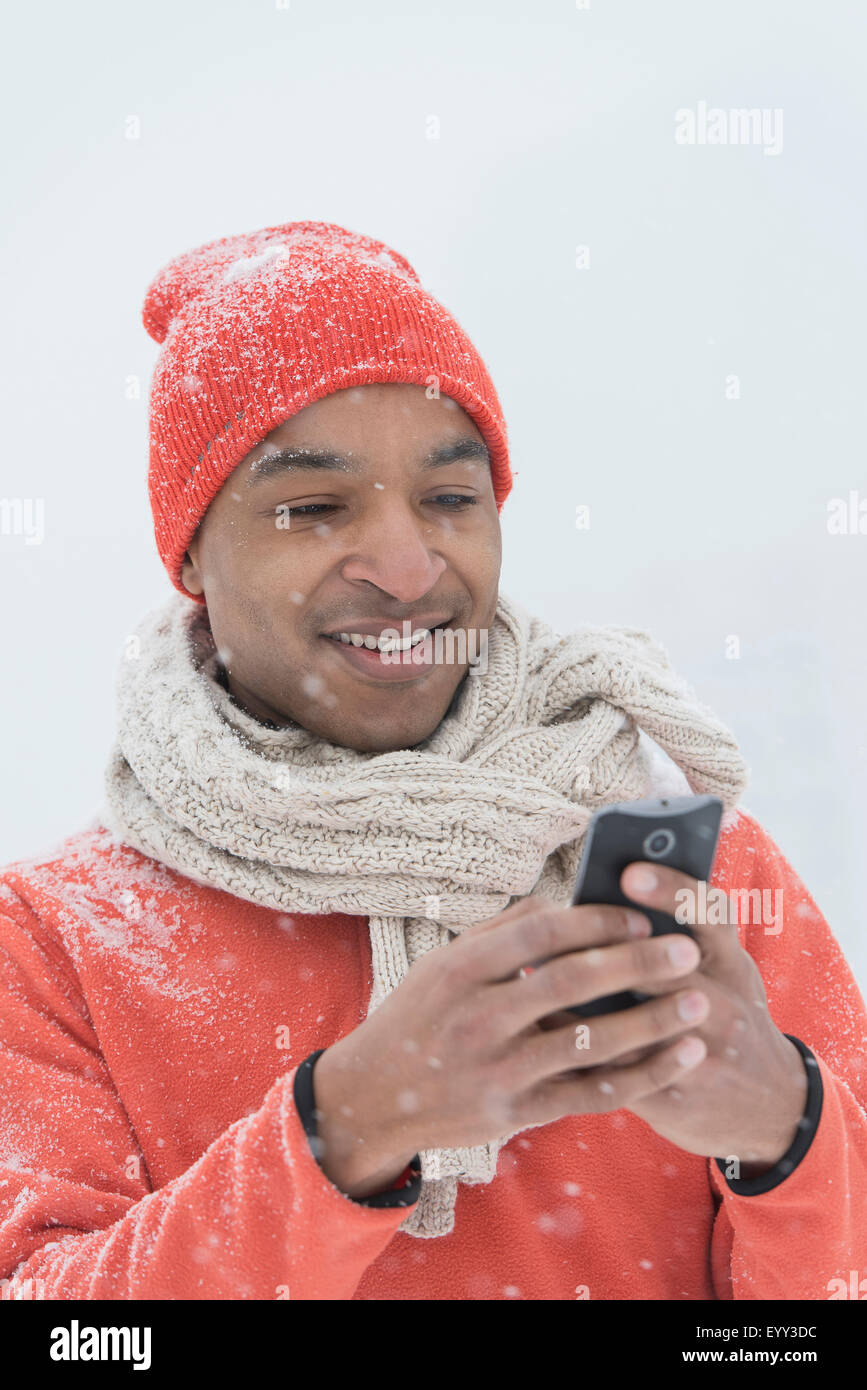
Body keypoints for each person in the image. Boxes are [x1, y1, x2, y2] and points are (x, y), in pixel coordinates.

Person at [0, 220, 864, 1301]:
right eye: (311, 508)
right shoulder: (53, 945)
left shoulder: (702, 887)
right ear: (190, 556)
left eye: (452, 499)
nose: (408, 569)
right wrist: (344, 1127)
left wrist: (785, 1132)